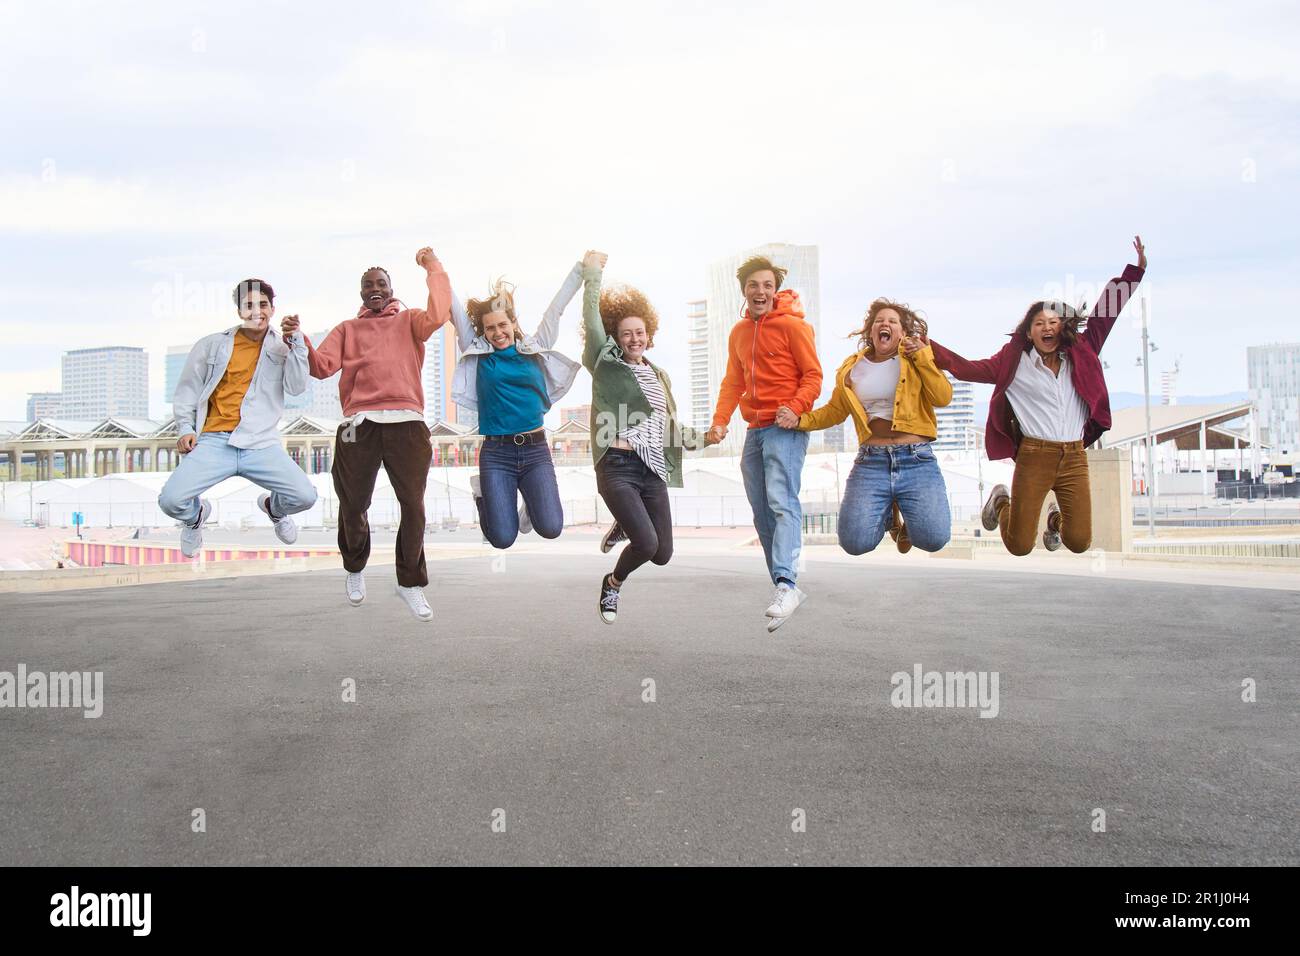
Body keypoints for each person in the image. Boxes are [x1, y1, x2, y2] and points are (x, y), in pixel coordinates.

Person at [930, 236, 1147, 555]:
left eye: (1053, 322)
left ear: (1065, 327)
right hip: (1034, 457)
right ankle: (1001, 500)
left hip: (1074, 457)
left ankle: (1055, 520)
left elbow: (1106, 313)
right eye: (1039, 323)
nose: (1047, 328)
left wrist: (1135, 272)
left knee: (1079, 541)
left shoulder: (1083, 350)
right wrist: (925, 347)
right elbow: (964, 368)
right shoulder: (1013, 363)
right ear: (1028, 331)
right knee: (1019, 545)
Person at [305, 248, 451, 621]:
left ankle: (410, 583)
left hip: (407, 424)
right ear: (361, 293)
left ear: (390, 289)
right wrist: (299, 340)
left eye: (381, 283)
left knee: (414, 507)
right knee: (353, 505)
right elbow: (321, 368)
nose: (375, 289)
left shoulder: (409, 321)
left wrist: (432, 266)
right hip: (360, 426)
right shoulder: (347, 330)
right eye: (368, 284)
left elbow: (439, 312)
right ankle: (355, 568)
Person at [580, 252, 717, 624]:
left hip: (652, 469)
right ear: (616, 337)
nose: (634, 338)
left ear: (649, 335)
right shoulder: (606, 366)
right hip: (618, 466)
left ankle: (625, 523)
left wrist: (706, 437)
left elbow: (668, 427)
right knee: (646, 543)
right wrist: (594, 274)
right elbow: (591, 321)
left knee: (662, 553)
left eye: (639, 332)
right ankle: (613, 584)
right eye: (626, 333)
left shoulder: (660, 376)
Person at [778, 299, 952, 555]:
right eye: (879, 321)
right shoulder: (852, 368)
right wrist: (800, 419)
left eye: (893, 322)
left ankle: (900, 509)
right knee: (854, 543)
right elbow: (835, 411)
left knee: (934, 538)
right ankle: (890, 517)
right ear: (871, 331)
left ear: (902, 333)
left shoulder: (917, 360)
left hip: (916, 458)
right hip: (872, 461)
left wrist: (923, 357)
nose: (885, 324)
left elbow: (943, 397)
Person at [161, 279, 317, 558]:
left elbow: (296, 387)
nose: (256, 311)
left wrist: (297, 342)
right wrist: (185, 428)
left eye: (263, 304)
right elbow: (187, 390)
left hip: (261, 443)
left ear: (272, 308)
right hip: (213, 442)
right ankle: (195, 517)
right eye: (249, 305)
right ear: (239, 311)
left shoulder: (284, 347)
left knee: (305, 496)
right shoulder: (211, 345)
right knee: (171, 501)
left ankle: (275, 509)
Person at [708, 255, 823, 632]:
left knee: (781, 499)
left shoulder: (793, 326)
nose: (760, 292)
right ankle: (783, 586)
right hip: (754, 429)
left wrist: (795, 407)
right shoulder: (739, 333)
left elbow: (813, 375)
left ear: (775, 291)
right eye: (754, 285)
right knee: (761, 510)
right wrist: (720, 421)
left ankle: (788, 583)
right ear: (744, 290)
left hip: (785, 427)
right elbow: (732, 382)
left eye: (767, 285)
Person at [449, 254, 592, 549]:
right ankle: (482, 495)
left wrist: (581, 269)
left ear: (513, 322)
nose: (498, 333)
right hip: (496, 453)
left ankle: (531, 495)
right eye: (490, 328)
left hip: (536, 450)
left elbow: (556, 308)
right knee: (501, 539)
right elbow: (455, 309)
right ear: (483, 331)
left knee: (551, 528)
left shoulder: (535, 348)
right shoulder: (478, 355)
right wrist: (433, 267)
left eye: (503, 325)